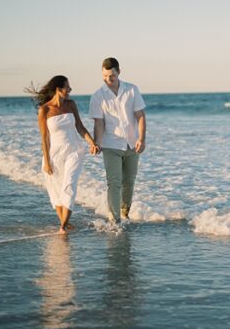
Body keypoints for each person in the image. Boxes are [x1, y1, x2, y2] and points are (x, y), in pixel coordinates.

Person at [27, 76, 100, 234]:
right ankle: (64, 223)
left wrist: (92, 142)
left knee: (69, 184)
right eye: (67, 87)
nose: (70, 90)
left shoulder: (71, 105)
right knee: (57, 191)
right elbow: (44, 138)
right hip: (54, 155)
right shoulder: (44, 110)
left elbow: (79, 126)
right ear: (58, 89)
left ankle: (63, 227)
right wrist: (47, 162)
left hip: (74, 151)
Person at [89, 58, 146, 224]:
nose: (108, 79)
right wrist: (97, 143)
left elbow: (140, 116)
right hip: (110, 145)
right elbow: (99, 123)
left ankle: (125, 213)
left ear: (119, 72)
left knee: (129, 182)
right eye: (105, 76)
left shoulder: (132, 90)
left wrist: (141, 139)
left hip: (132, 144)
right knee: (113, 183)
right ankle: (115, 221)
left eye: (112, 75)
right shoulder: (98, 96)